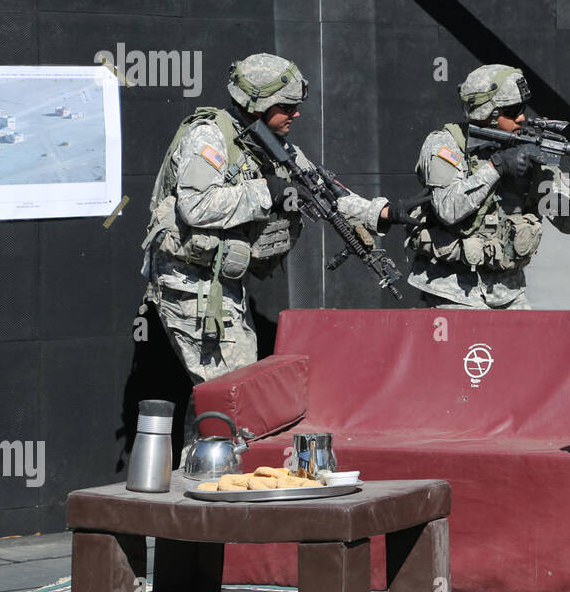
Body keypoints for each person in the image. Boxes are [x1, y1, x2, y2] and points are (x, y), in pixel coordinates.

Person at [141, 53, 389, 406]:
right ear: (257, 105)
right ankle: (224, 461)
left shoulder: (272, 144)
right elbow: (195, 207)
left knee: (222, 396)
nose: (296, 114)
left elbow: (318, 187)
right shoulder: (209, 137)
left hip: (220, 284)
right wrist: (267, 190)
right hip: (189, 283)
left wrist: (379, 213)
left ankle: (205, 462)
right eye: (286, 107)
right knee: (235, 397)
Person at [405, 63, 570, 309]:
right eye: (513, 111)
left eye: (522, 108)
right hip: (452, 291)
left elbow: (565, 216)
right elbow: (449, 209)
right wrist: (497, 167)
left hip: (508, 291)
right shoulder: (445, 145)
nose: (522, 117)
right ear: (487, 112)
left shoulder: (527, 149)